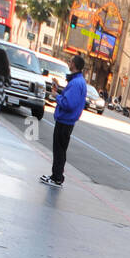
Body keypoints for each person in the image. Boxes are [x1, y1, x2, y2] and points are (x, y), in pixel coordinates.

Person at [39, 53, 86, 187]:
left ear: (75, 65)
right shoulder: (77, 81)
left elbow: (69, 104)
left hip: (65, 121)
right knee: (60, 149)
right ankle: (57, 175)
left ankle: (56, 177)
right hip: (66, 120)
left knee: (59, 150)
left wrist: (56, 96)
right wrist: (59, 91)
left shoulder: (76, 83)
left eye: (70, 61)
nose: (68, 63)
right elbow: (70, 99)